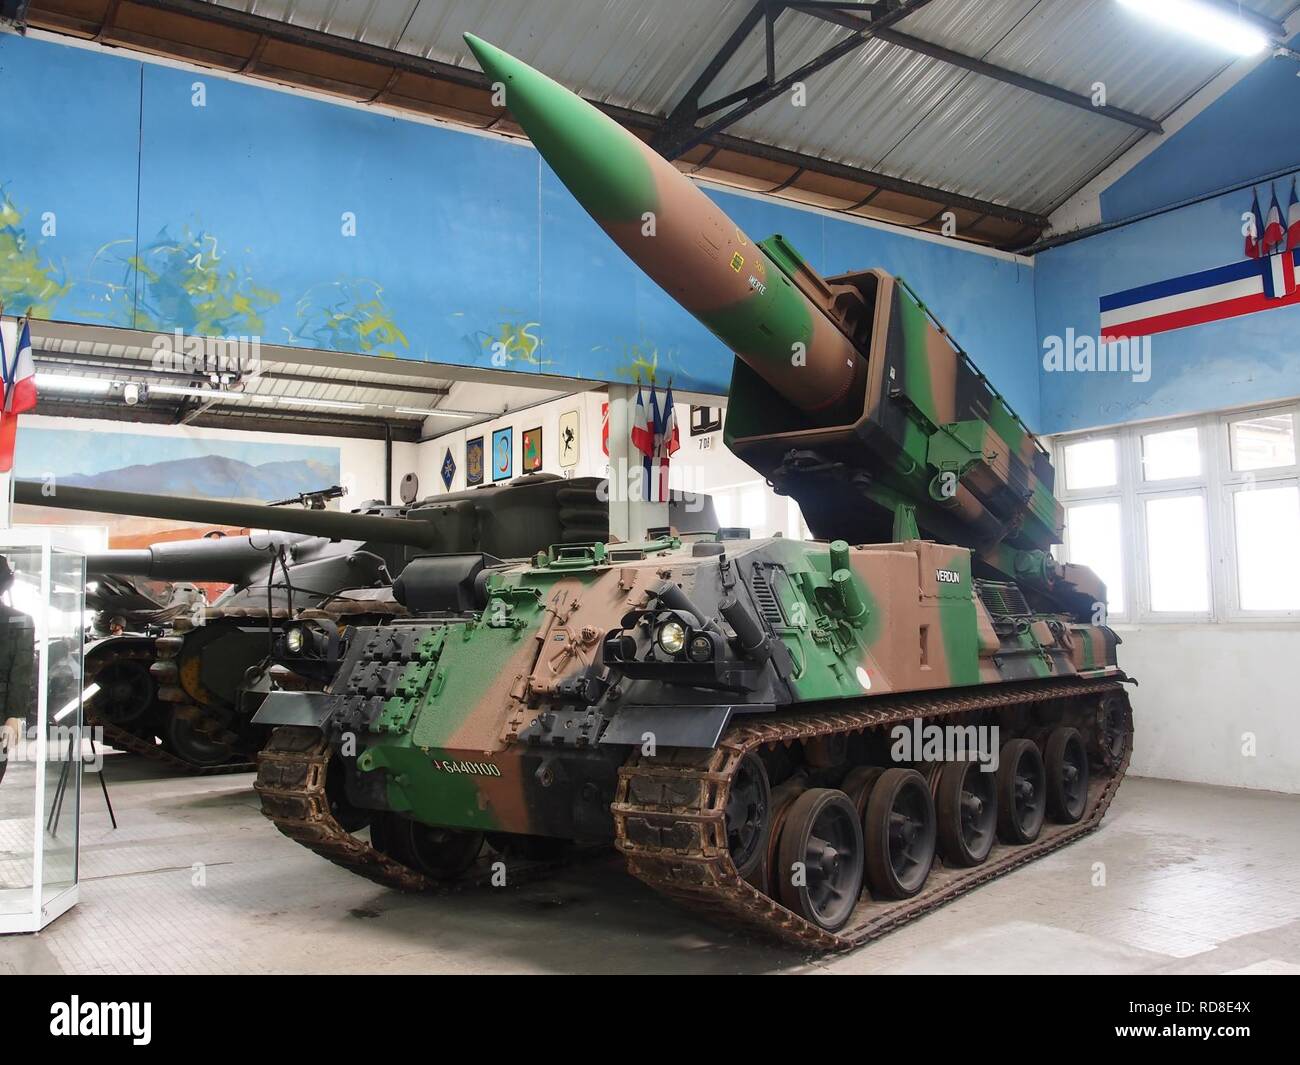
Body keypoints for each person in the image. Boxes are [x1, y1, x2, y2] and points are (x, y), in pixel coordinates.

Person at [0, 556, 36, 769]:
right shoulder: (21, 621)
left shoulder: (20, 621)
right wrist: (14, 715)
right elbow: (20, 673)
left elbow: (21, 674)